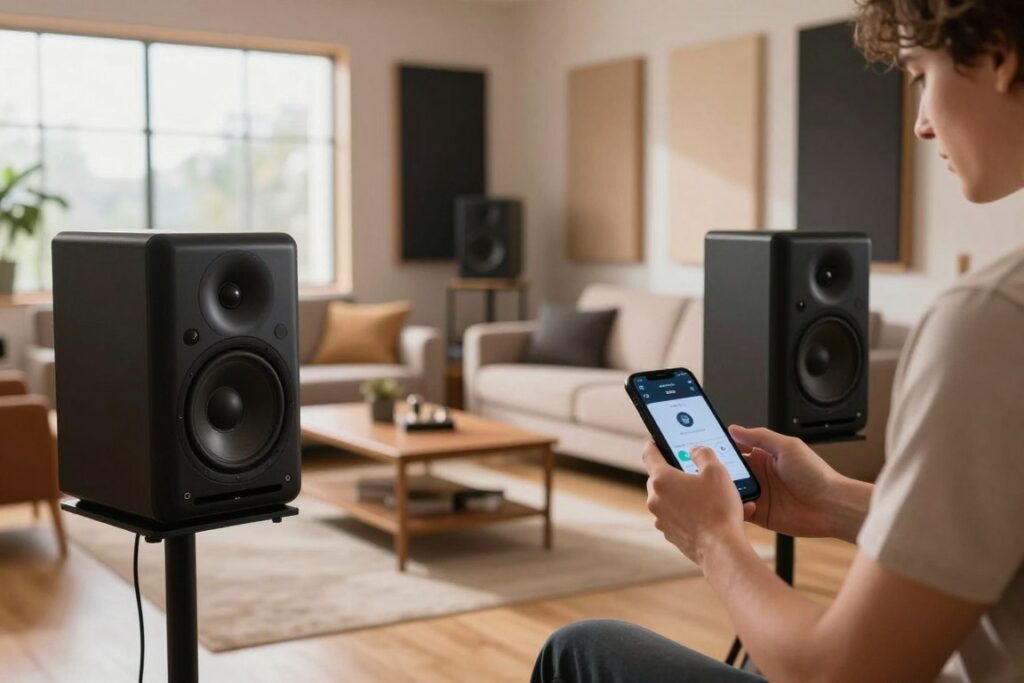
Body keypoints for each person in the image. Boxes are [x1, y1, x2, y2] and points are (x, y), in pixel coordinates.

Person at [531, 1, 1024, 681]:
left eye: (920, 74)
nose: (921, 121)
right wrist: (834, 500)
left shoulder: (994, 318)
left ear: (999, 55)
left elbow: (838, 674)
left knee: (578, 649)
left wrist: (712, 540)